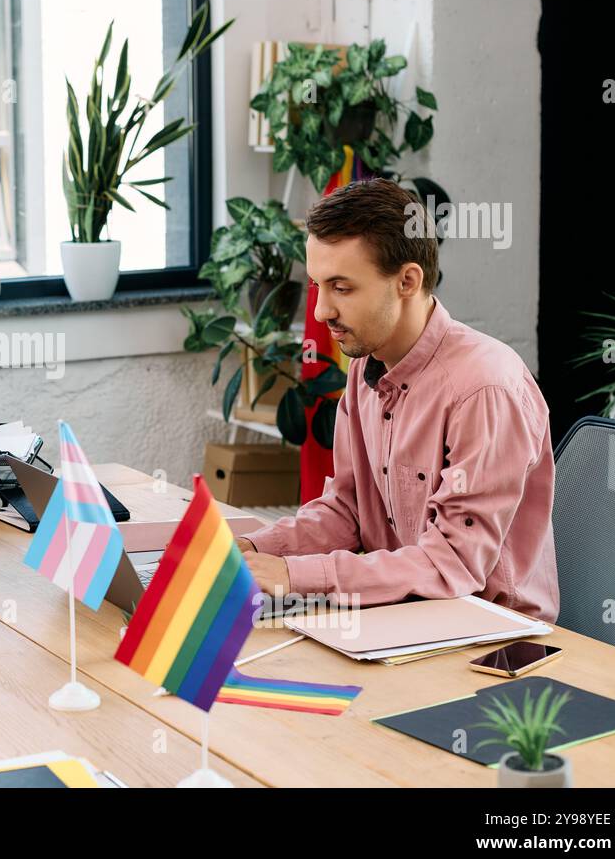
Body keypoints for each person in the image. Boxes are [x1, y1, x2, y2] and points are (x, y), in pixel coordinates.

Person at [239, 178, 559, 623]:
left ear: (408, 280)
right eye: (317, 286)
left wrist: (295, 576)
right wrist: (255, 550)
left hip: (491, 635)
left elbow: (454, 563)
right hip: (405, 615)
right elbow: (348, 510)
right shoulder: (364, 368)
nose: (320, 311)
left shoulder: (484, 388)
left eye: (342, 287)